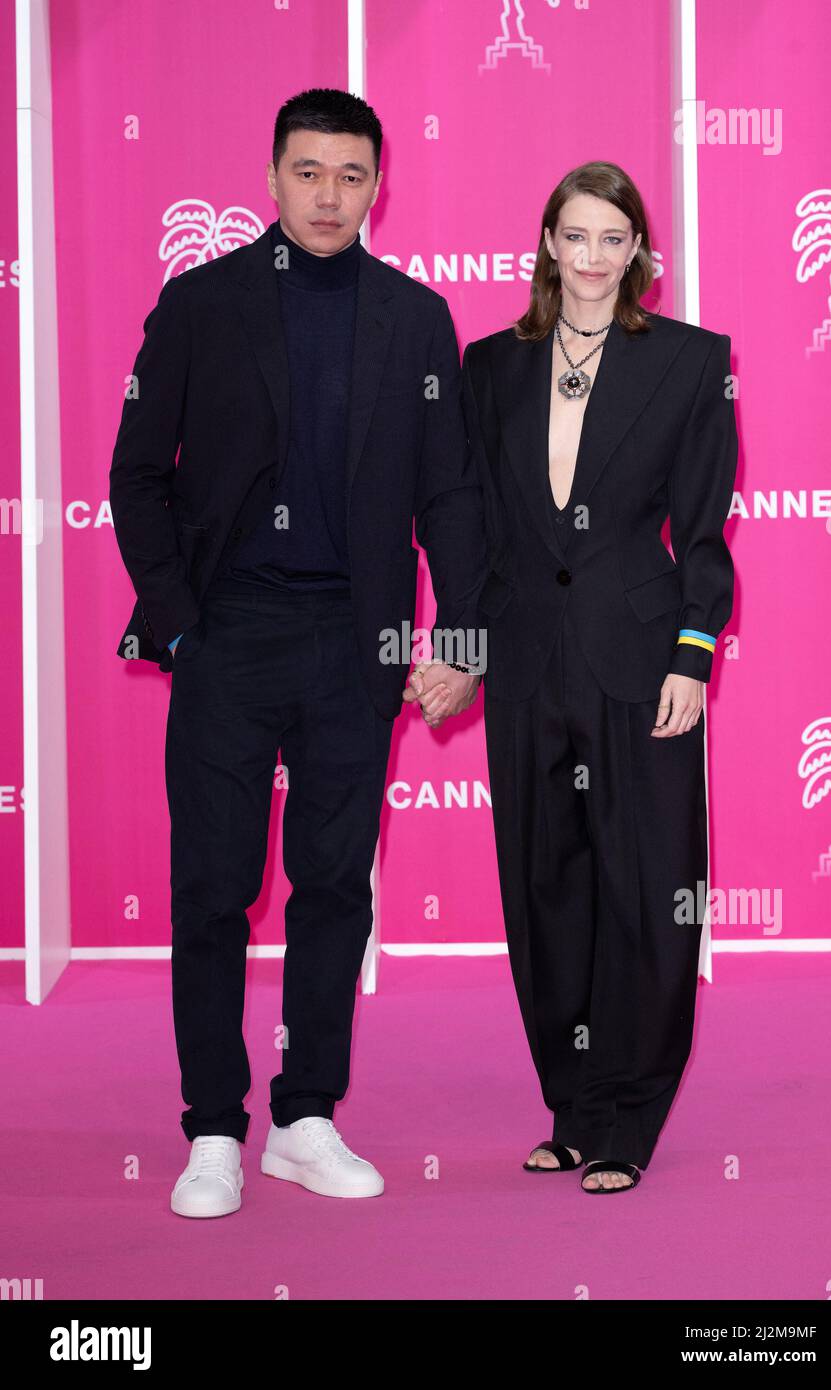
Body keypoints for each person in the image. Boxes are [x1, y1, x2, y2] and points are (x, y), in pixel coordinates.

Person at [109, 88, 485, 1217]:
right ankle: (213, 1126)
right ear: (270, 177)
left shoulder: (416, 321)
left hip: (354, 642)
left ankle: (304, 1114)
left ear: (379, 185)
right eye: (309, 172)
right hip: (226, 636)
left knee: (333, 888)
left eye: (351, 175)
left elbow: (451, 498)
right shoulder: (201, 303)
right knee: (212, 890)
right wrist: (178, 622)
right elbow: (138, 473)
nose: (329, 195)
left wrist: (457, 639)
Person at [409, 161, 738, 1193]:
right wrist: (459, 647)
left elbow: (702, 527)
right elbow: (467, 525)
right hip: (524, 659)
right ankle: (572, 1103)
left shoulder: (688, 363)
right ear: (546, 244)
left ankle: (628, 1119)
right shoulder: (489, 366)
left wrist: (692, 652)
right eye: (575, 235)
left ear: (636, 251)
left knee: (645, 889)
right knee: (544, 886)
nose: (593, 257)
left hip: (638, 660)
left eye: (613, 238)